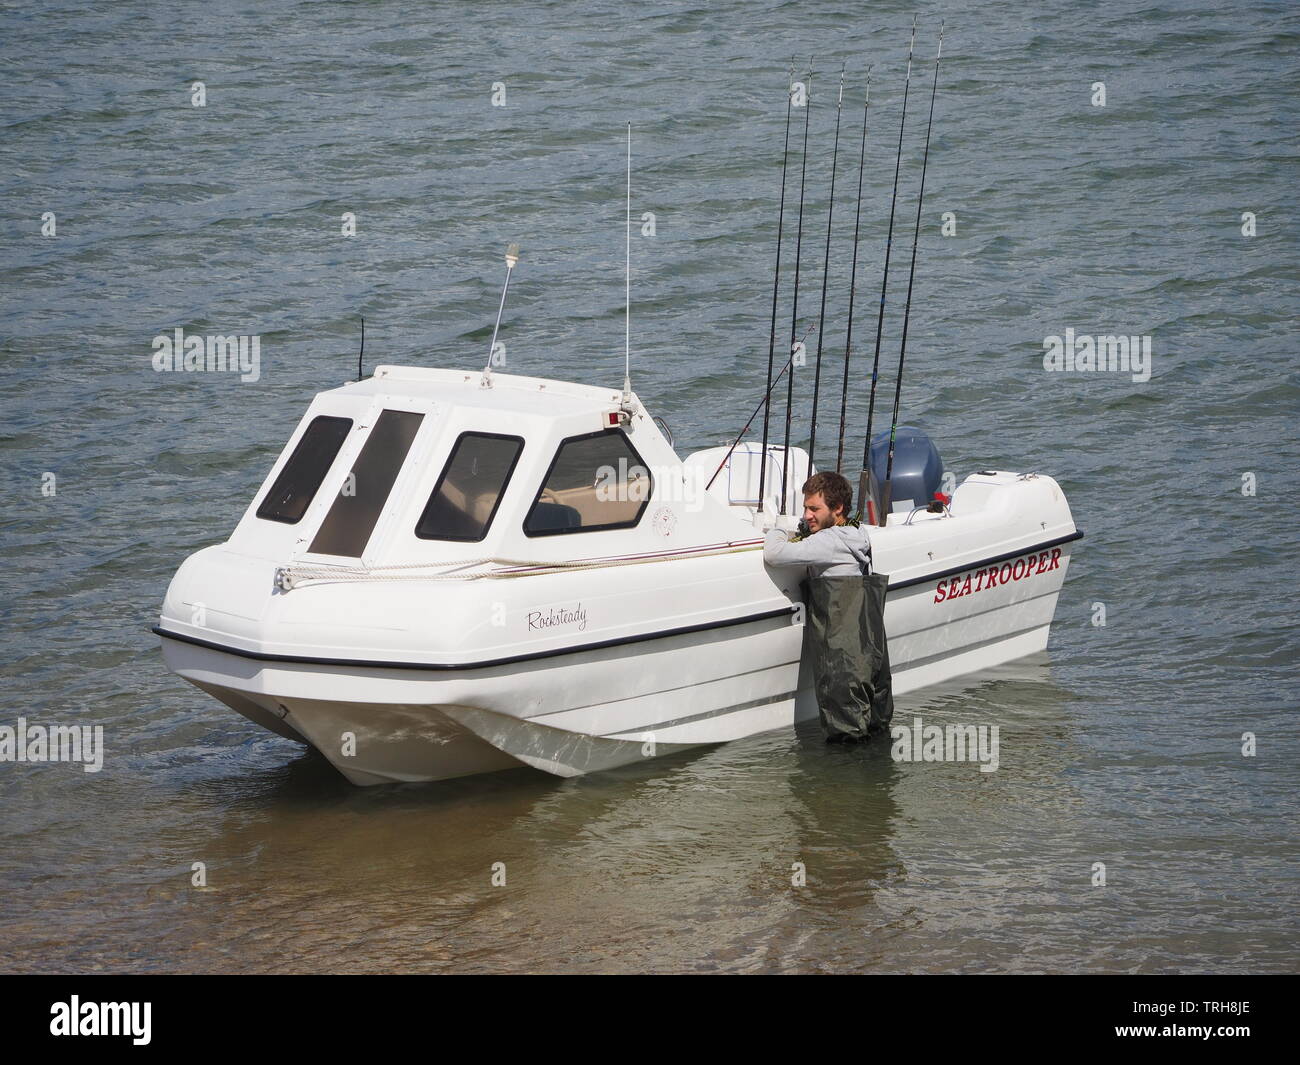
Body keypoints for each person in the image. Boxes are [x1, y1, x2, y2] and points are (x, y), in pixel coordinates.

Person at [763, 472, 894, 743]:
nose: (807, 515)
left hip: (841, 658)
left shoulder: (827, 541)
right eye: (805, 508)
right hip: (869, 651)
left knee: (844, 734)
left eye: (814, 509)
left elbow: (774, 554)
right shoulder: (858, 533)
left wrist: (777, 528)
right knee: (873, 727)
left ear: (837, 509)